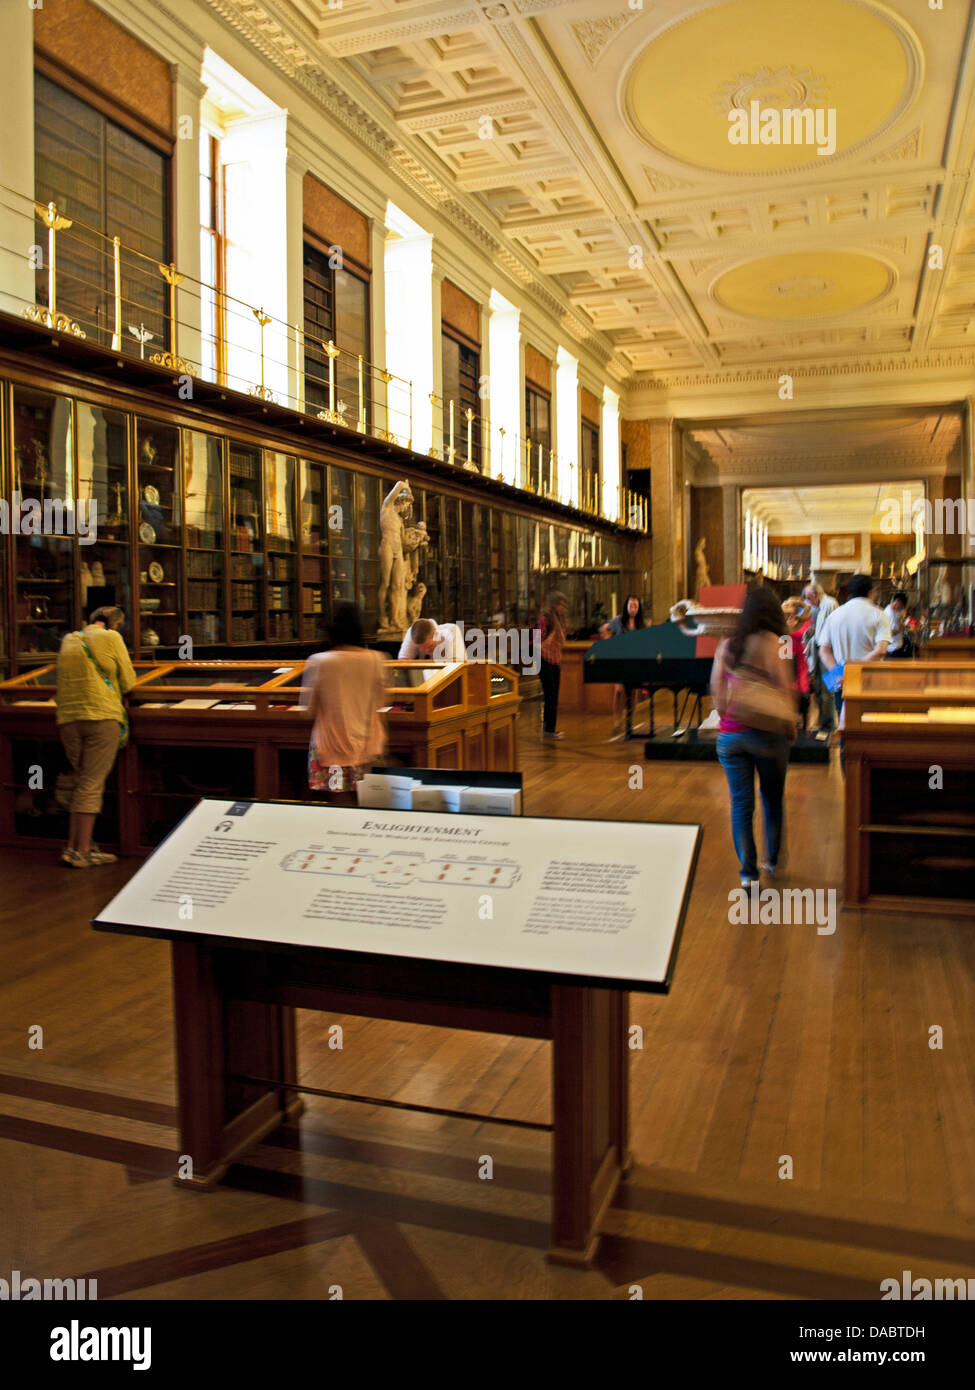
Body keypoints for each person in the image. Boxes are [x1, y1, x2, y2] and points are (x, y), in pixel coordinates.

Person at [711, 587, 796, 887]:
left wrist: (728, 720)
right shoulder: (777, 642)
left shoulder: (727, 645)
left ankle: (748, 875)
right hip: (768, 735)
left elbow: (717, 692)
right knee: (772, 798)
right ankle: (771, 861)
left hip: (732, 736)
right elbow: (786, 688)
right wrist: (791, 726)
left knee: (740, 804)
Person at [55, 605, 136, 868]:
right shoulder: (111, 638)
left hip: (68, 719)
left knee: (81, 783)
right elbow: (129, 681)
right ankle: (84, 851)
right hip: (101, 716)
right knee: (92, 784)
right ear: (115, 624)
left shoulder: (69, 639)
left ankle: (72, 847)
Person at [301, 604, 387, 803]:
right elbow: (381, 701)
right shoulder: (376, 659)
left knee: (338, 801)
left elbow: (308, 709)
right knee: (366, 800)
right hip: (367, 744)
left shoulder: (320, 661)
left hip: (331, 746)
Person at [819, 574, 891, 768]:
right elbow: (881, 650)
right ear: (871, 592)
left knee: (847, 730)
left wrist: (841, 671)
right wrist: (857, 666)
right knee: (870, 728)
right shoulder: (878, 614)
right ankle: (870, 772)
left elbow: (823, 650)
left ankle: (848, 775)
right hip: (871, 681)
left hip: (842, 680)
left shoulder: (835, 614)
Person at [606, 595, 646, 740]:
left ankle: (629, 719)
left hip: (634, 661)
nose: (633, 608)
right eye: (631, 605)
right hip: (620, 661)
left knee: (633, 692)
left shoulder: (641, 624)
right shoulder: (618, 621)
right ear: (626, 606)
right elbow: (605, 628)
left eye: (635, 606)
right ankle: (616, 720)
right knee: (618, 690)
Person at [802, 582, 837, 735]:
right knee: (818, 689)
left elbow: (827, 630)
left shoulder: (829, 604)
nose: (807, 601)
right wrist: (811, 631)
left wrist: (815, 633)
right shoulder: (818, 606)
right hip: (819, 650)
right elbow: (817, 628)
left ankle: (828, 725)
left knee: (828, 690)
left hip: (829, 651)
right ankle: (822, 722)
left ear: (815, 594)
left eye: (808, 597)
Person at [536, 590, 568, 739]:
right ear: (554, 604)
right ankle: (549, 729)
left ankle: (550, 728)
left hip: (556, 660)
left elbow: (562, 640)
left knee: (554, 696)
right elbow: (538, 643)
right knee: (549, 696)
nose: (563, 607)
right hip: (545, 660)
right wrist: (551, 636)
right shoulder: (544, 619)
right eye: (561, 604)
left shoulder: (559, 618)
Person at [782, 597, 813, 732]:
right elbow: (782, 640)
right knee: (789, 690)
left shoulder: (806, 622)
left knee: (804, 691)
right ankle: (792, 722)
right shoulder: (784, 622)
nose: (791, 614)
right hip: (788, 658)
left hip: (803, 659)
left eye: (793, 610)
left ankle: (806, 723)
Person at [397, 617, 466, 661]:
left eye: (430, 646)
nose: (426, 651)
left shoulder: (451, 631)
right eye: (421, 648)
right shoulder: (412, 633)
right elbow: (403, 662)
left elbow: (455, 665)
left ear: (437, 635)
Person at [884, 591, 912, 658]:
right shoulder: (888, 613)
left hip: (898, 646)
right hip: (893, 649)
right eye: (901, 606)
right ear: (897, 602)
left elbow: (901, 618)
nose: (901, 609)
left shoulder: (895, 611)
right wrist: (901, 629)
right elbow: (888, 633)